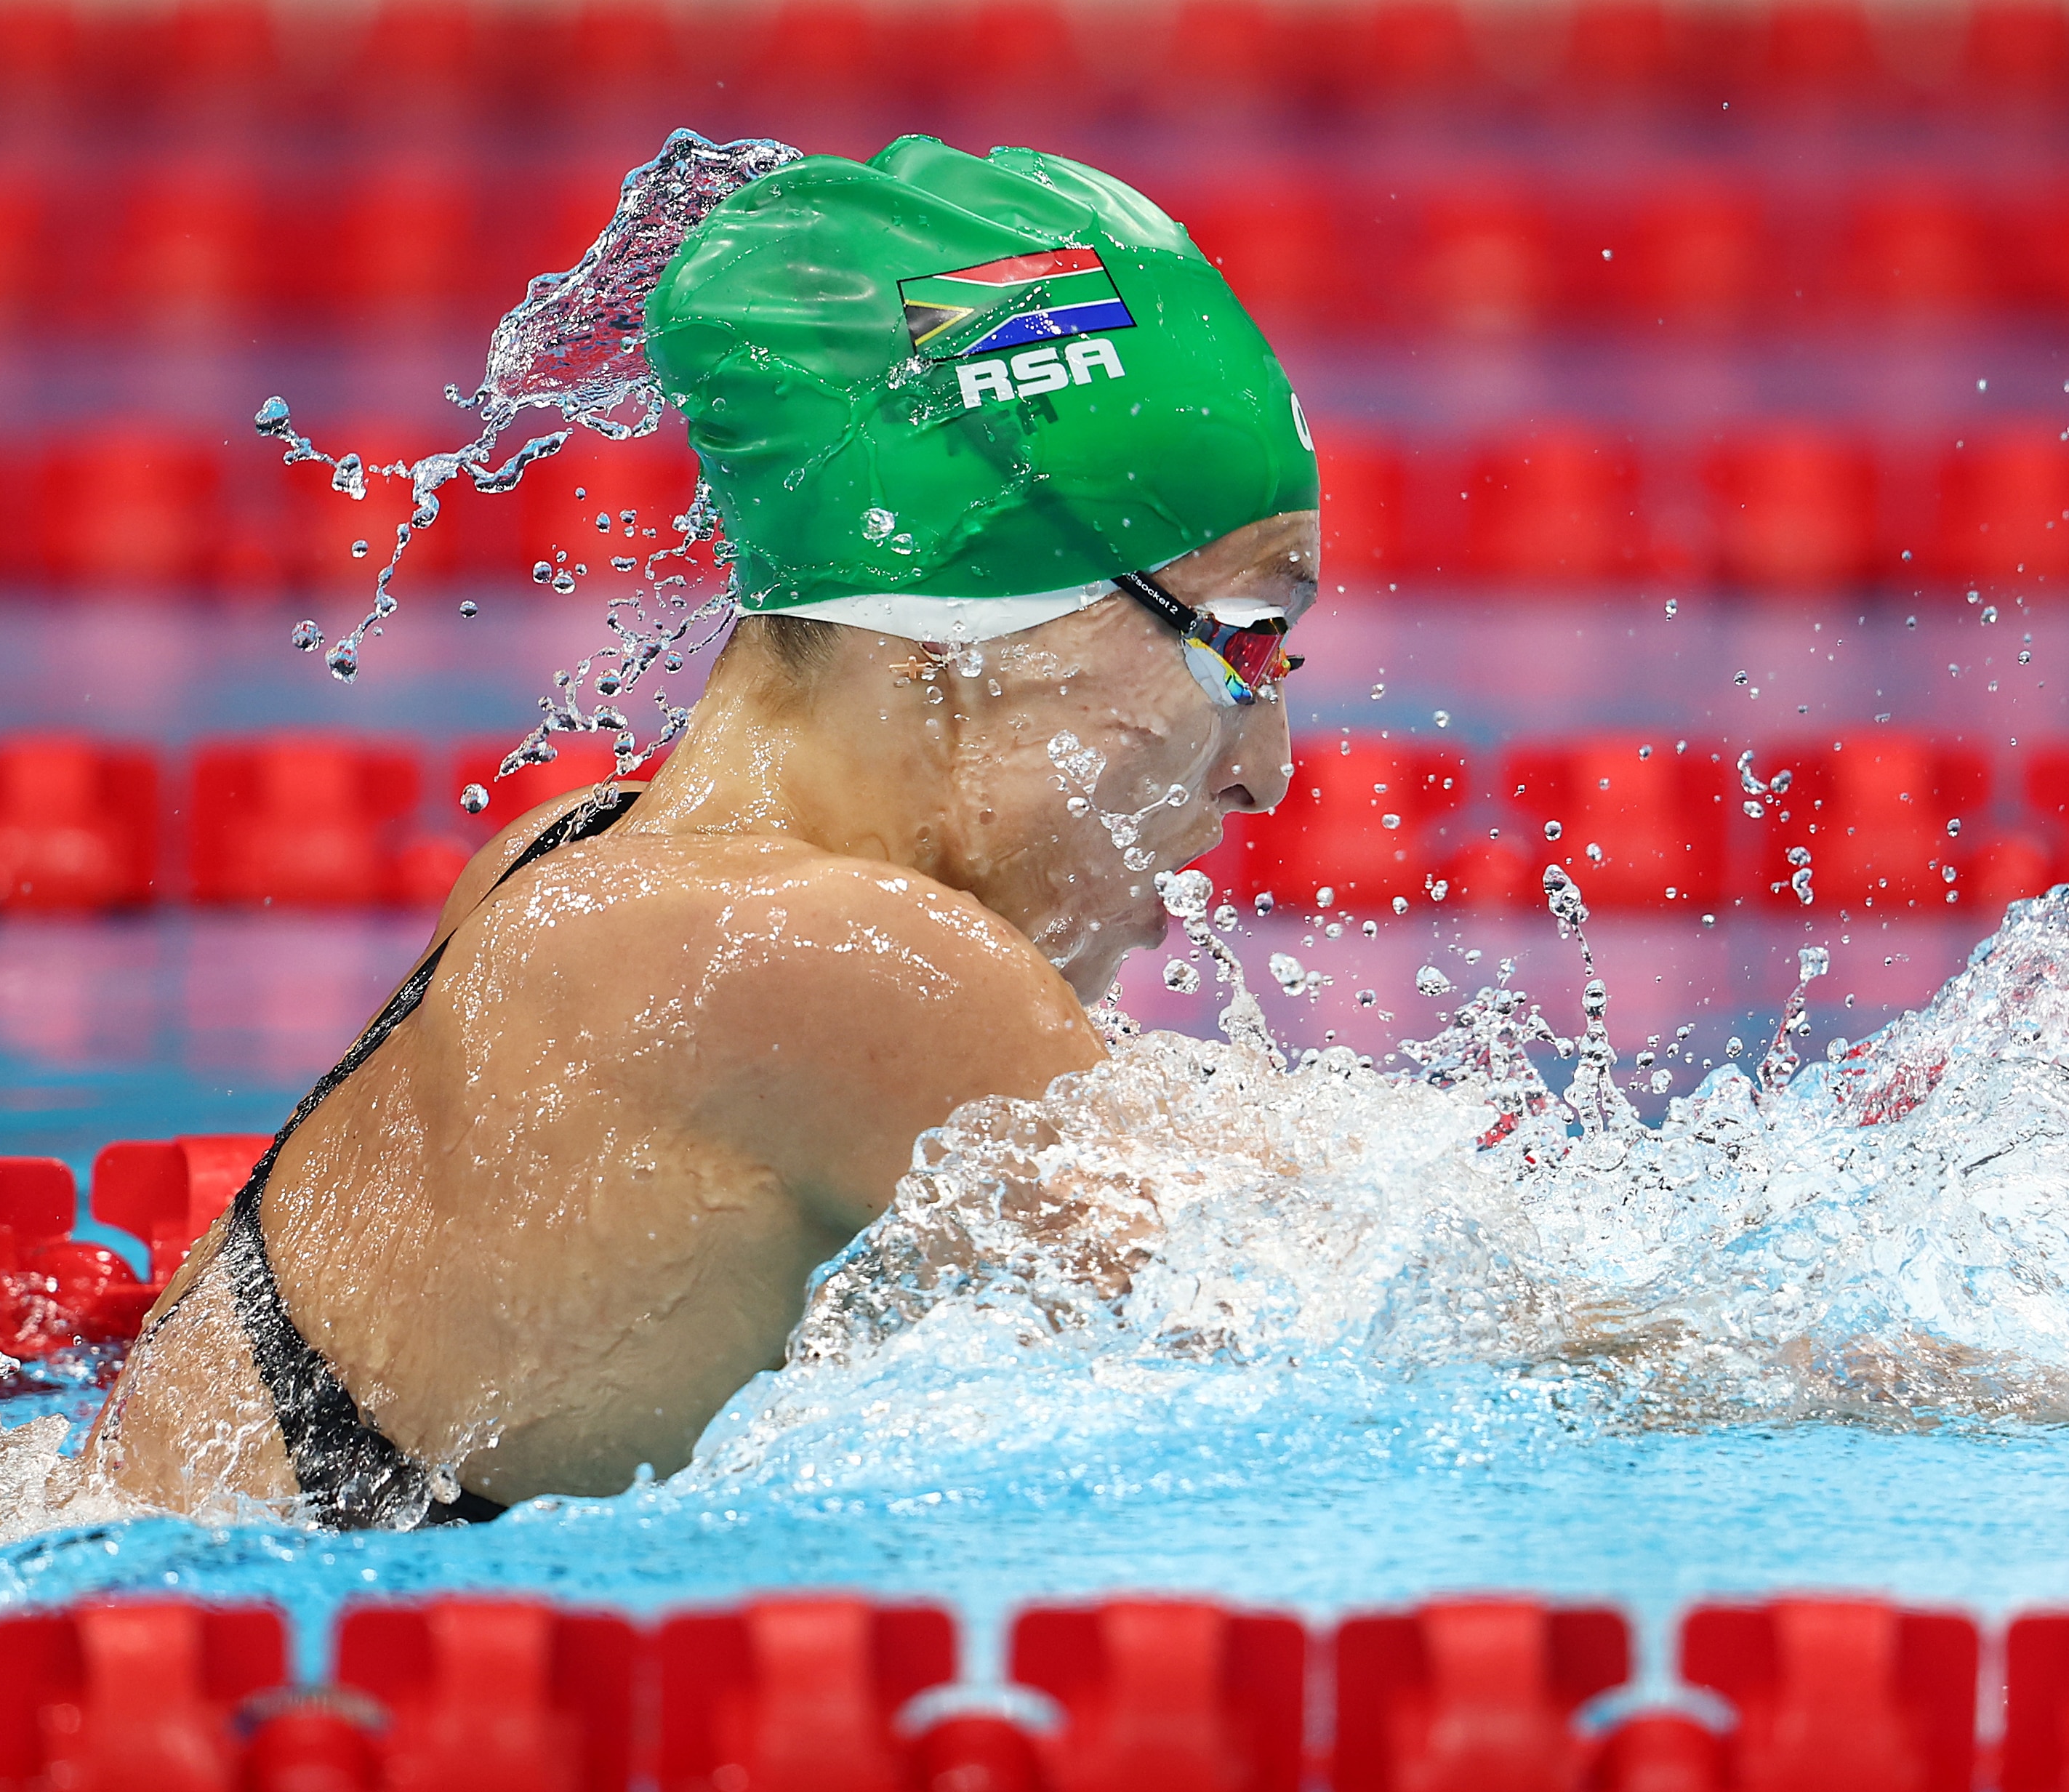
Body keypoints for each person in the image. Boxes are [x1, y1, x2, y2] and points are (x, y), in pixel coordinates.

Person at [89, 136, 1319, 1528]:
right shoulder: (854, 963)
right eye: (1246, 643)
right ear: (984, 621)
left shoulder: (570, 853)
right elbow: (1358, 1347)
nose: (1268, 772)